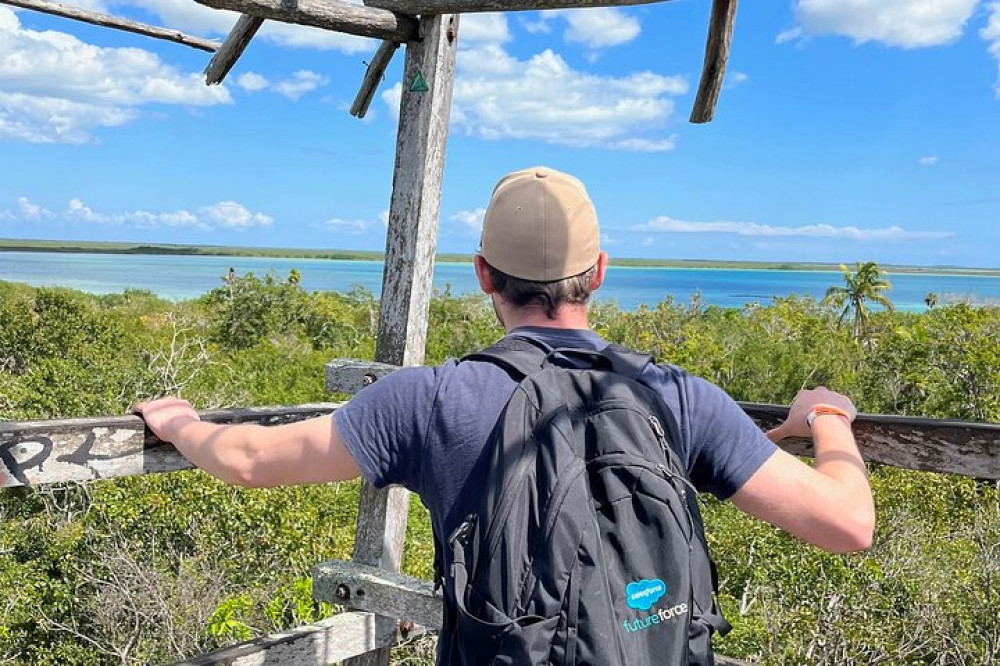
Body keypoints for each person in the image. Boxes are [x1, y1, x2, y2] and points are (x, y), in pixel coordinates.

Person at [135, 167, 875, 658]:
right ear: (600, 273)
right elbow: (848, 524)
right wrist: (826, 419)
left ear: (484, 274)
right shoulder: (678, 396)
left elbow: (251, 460)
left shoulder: (427, 399)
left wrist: (178, 423)